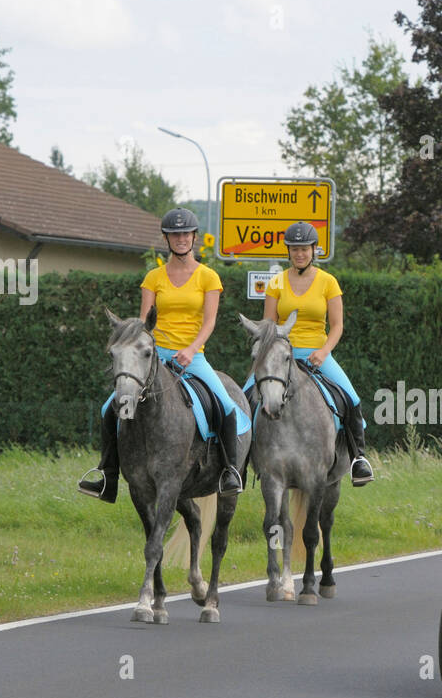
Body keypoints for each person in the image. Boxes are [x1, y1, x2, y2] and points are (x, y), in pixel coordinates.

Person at [79, 207, 250, 501]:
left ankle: (230, 472)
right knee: (109, 408)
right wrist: (148, 351)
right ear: (167, 238)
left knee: (227, 406)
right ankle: (108, 476)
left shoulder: (208, 277)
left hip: (192, 357)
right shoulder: (153, 277)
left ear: (194, 237)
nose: (181, 239)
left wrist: (192, 349)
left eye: (185, 234)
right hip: (155, 358)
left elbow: (209, 322)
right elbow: (145, 324)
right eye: (175, 234)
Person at [244, 220, 373, 485]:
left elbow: (337, 326)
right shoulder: (276, 283)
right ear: (288, 251)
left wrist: (324, 351)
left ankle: (359, 458)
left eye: (305, 248)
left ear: (315, 250)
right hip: (279, 356)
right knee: (246, 397)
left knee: (352, 399)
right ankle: (240, 462)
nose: (300, 253)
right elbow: (268, 326)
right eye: (294, 249)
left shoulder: (328, 282)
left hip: (316, 353)